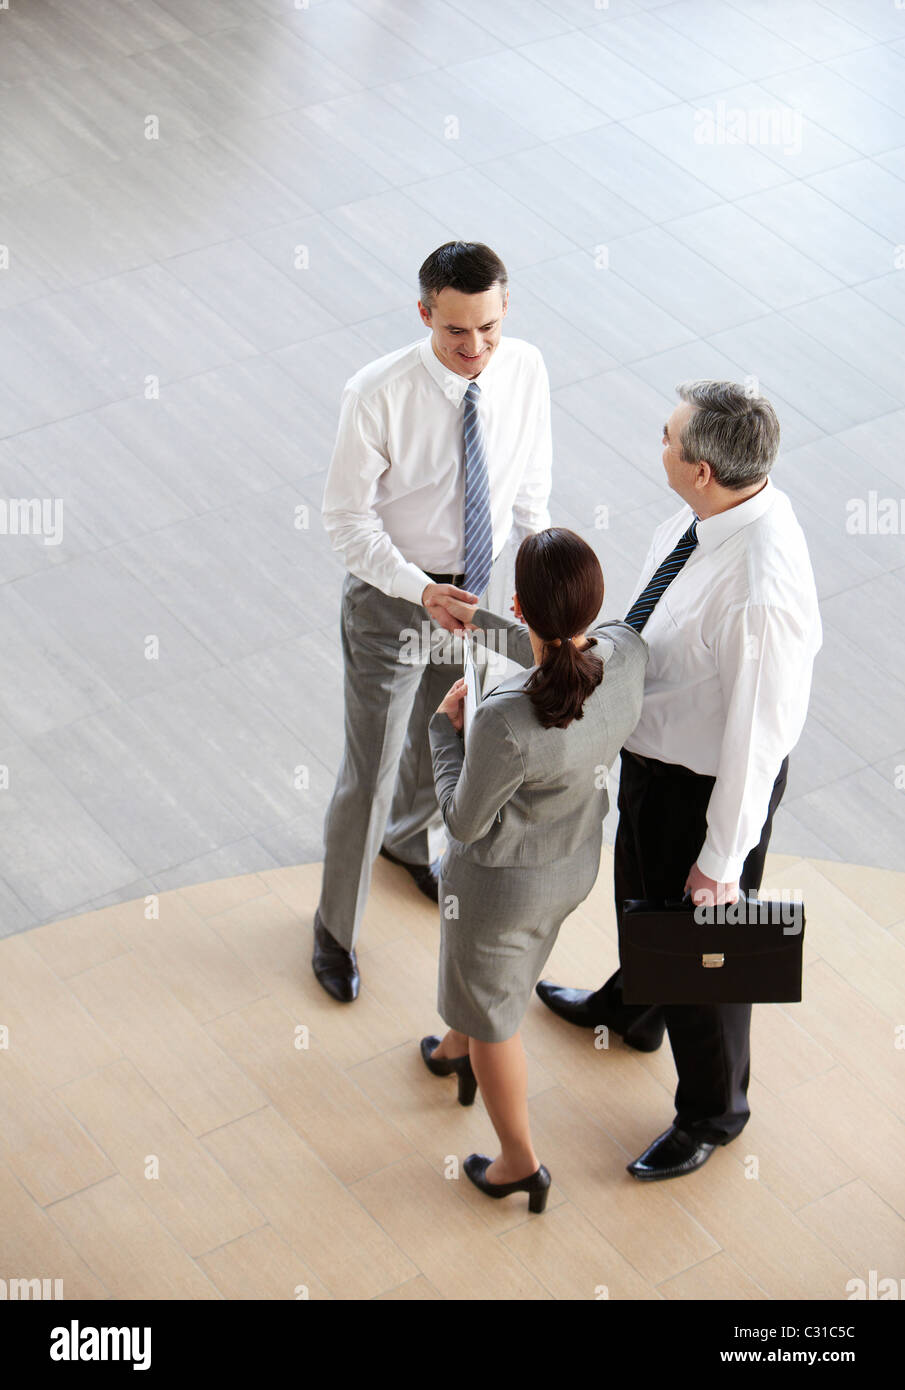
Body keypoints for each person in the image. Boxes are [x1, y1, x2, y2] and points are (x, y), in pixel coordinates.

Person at [536, 381, 823, 1182]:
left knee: (707, 956)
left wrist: (722, 862)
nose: (656, 443)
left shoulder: (758, 588)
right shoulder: (710, 515)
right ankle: (631, 1008)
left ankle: (713, 1112)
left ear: (700, 469)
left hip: (704, 787)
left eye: (666, 437)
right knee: (641, 903)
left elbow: (760, 735)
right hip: (657, 763)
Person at [312, 241, 553, 1002]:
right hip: (394, 601)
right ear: (424, 314)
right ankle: (334, 929)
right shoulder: (375, 393)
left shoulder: (525, 369)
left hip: (475, 596)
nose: (475, 348)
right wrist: (420, 591)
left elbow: (530, 477)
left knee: (446, 732)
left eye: (487, 327)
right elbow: (346, 523)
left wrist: (529, 569)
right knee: (371, 769)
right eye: (455, 331)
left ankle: (407, 844)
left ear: (504, 308)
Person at [420, 529, 648, 1211]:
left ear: (518, 607)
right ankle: (455, 1044)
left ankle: (517, 1161)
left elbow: (463, 824)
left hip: (495, 891)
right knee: (494, 982)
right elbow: (570, 641)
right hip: (570, 867)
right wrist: (484, 625)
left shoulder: (502, 720)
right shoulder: (626, 655)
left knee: (498, 1019)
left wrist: (442, 728)